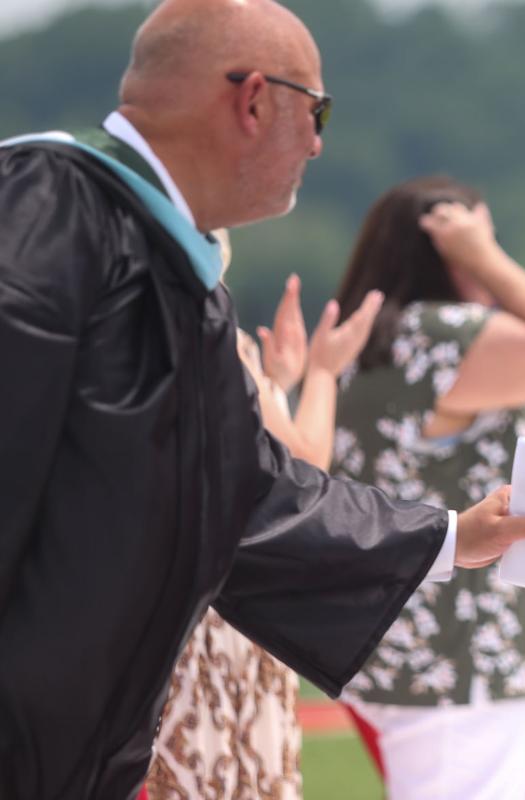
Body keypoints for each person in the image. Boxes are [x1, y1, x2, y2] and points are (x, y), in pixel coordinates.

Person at [0, 2, 525, 798]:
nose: (320, 143)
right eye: (314, 110)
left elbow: (248, 495)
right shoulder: (48, 207)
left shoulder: (185, 282)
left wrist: (449, 536)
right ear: (253, 101)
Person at [330, 176, 525, 800]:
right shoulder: (439, 335)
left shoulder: (375, 337)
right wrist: (484, 257)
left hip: (413, 636)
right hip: (462, 649)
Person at [144, 250, 380, 799]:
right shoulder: (207, 326)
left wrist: (278, 383)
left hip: (186, 602)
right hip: (220, 614)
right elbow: (302, 467)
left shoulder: (151, 318)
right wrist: (323, 371)